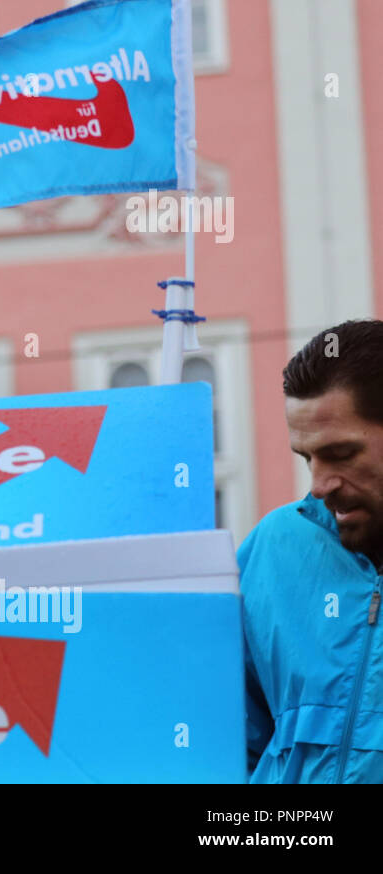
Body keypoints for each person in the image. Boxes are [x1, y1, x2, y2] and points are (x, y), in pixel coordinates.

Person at [239, 318, 383, 783]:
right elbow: (221, 743)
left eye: (341, 454)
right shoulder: (273, 547)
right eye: (307, 457)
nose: (318, 486)